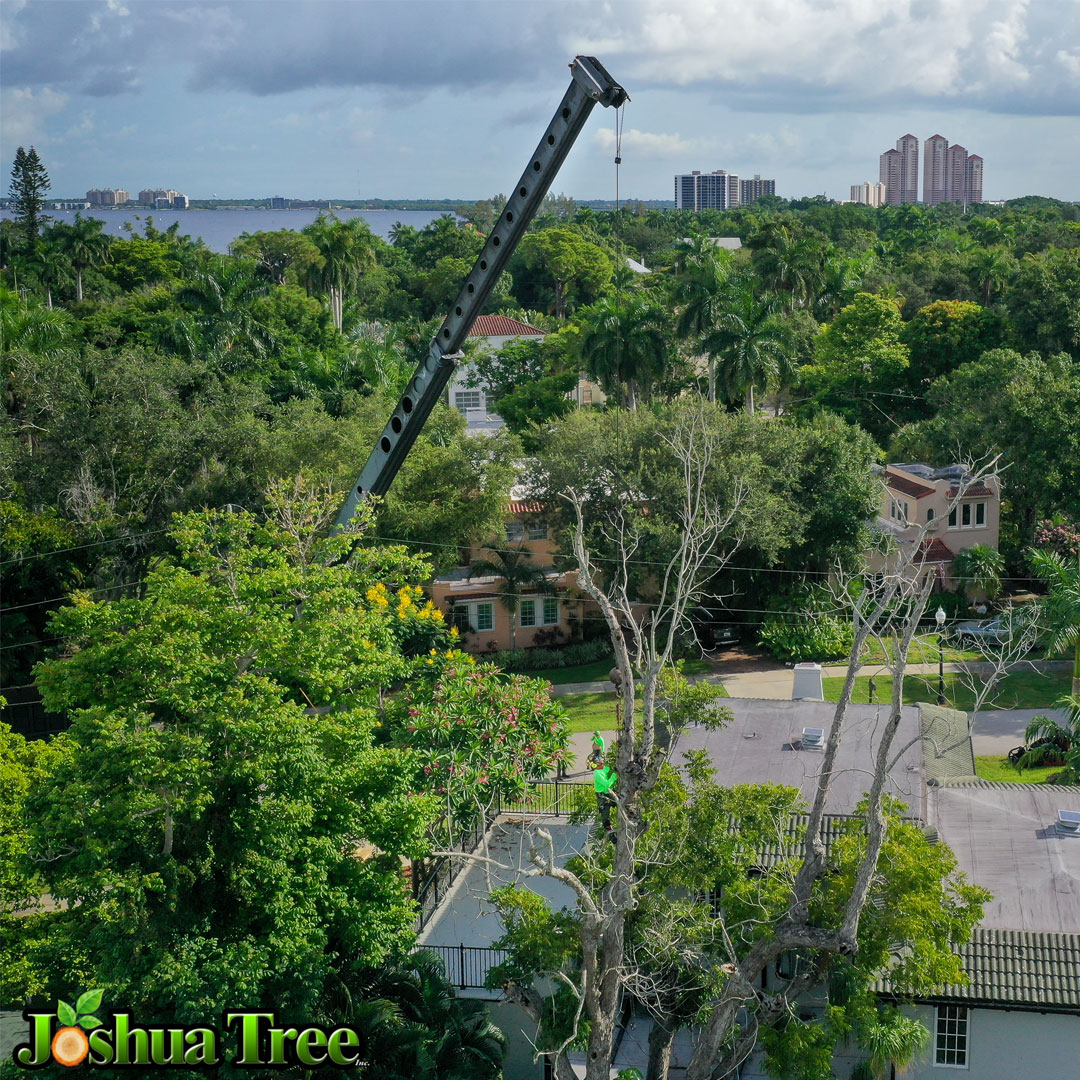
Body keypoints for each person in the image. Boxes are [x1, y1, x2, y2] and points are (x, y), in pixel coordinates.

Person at [593, 762, 617, 835]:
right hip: (603, 797)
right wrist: (614, 775)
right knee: (605, 818)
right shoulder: (597, 774)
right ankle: (611, 836)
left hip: (610, 793)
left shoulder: (606, 768)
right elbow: (607, 785)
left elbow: (601, 752)